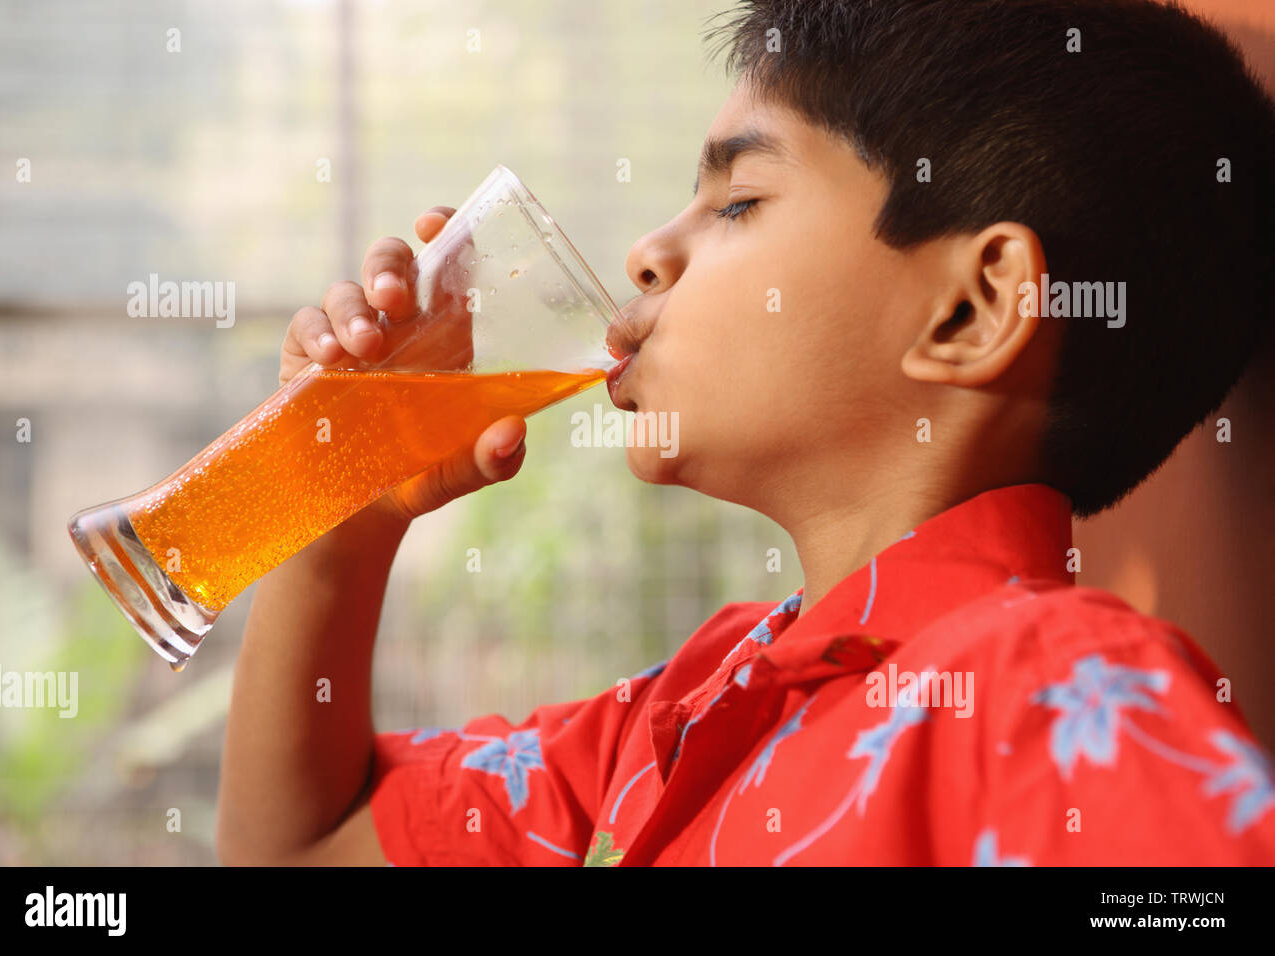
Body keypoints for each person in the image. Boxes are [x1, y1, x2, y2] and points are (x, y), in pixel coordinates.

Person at [215, 0, 1275, 865]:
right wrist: (339, 509)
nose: (644, 253)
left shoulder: (1049, 693)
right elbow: (300, 848)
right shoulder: (684, 710)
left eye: (738, 200)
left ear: (972, 308)